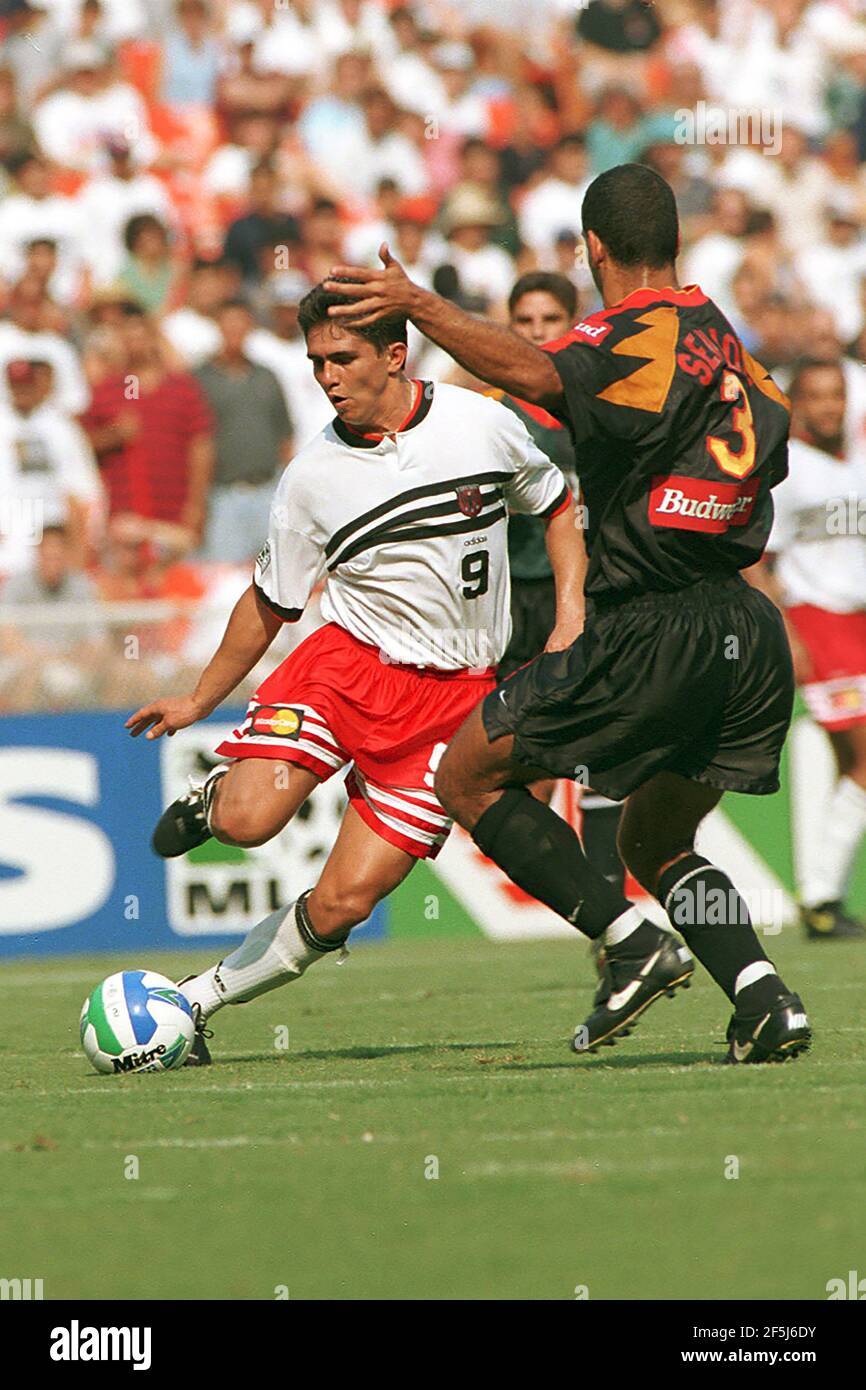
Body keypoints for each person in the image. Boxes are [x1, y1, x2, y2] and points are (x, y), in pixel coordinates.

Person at [324, 162, 811, 1065]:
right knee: (654, 835)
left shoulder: (636, 330)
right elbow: (773, 442)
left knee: (465, 777)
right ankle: (762, 997)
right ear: (674, 241)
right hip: (748, 630)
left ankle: (628, 947)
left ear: (593, 249)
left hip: (654, 624)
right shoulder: (722, 336)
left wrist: (422, 307)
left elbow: (542, 374)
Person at [126, 281, 584, 1065]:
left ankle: (196, 1001)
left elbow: (555, 502)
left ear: (395, 355)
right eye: (316, 361)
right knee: (246, 822)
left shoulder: (481, 423)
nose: (327, 376)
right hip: (349, 668)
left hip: (452, 705)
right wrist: (199, 698)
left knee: (341, 906)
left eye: (342, 357)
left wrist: (570, 613)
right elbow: (271, 602)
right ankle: (215, 800)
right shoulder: (312, 479)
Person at [493, 270, 625, 891]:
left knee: (605, 746)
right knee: (521, 760)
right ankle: (565, 888)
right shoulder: (491, 412)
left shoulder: (602, 403)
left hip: (593, 594)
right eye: (525, 322)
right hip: (516, 600)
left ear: (575, 324)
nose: (538, 332)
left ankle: (606, 898)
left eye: (550, 320)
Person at [746, 359, 866, 941]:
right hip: (819, 623)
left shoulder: (857, 464)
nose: (830, 407)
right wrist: (786, 633)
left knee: (855, 765)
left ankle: (824, 899)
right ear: (797, 403)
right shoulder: (789, 471)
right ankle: (819, 896)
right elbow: (758, 559)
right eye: (817, 396)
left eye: (837, 395)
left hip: (859, 624)